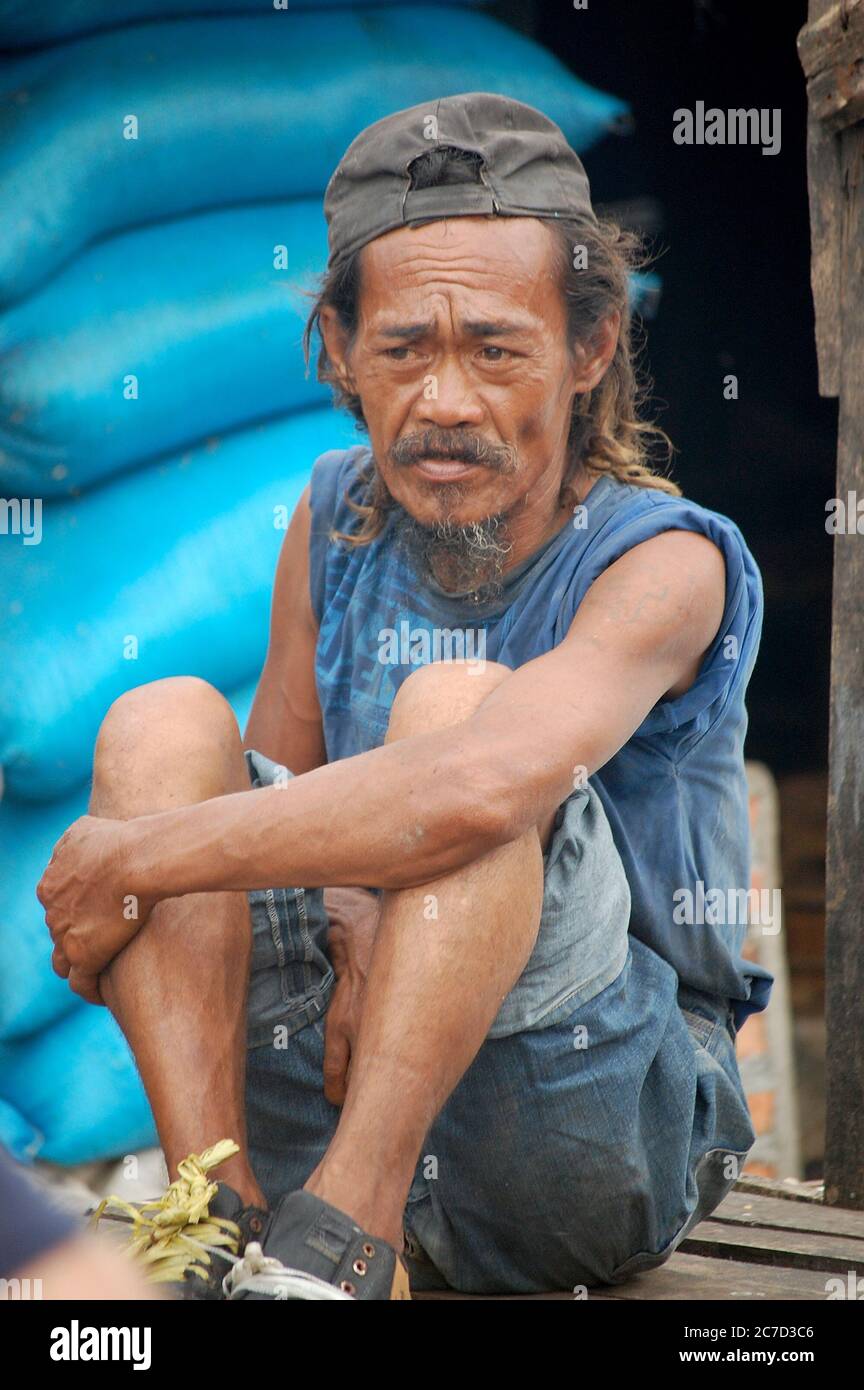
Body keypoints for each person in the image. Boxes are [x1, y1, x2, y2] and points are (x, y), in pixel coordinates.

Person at [37, 93, 769, 1300]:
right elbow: (274, 824)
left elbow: (482, 785)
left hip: (582, 1125)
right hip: (326, 1085)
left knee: (459, 715)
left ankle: (343, 1253)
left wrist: (133, 856)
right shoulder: (331, 518)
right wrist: (350, 893)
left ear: (589, 350)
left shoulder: (664, 563)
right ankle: (217, 1217)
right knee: (159, 721)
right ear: (338, 351)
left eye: (495, 348)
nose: (444, 402)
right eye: (402, 349)